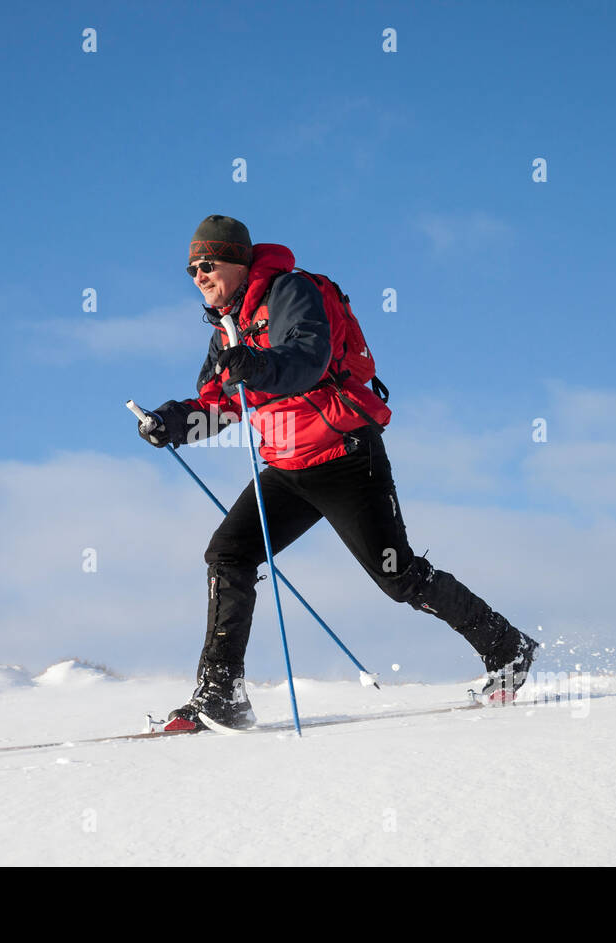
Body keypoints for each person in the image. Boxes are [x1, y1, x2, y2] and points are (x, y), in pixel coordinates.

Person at [139, 215, 538, 731]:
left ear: (237, 261)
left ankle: (507, 647)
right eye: (191, 269)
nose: (198, 275)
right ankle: (221, 696)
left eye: (207, 264)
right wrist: (171, 422)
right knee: (228, 554)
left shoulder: (292, 291)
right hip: (287, 467)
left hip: (346, 455)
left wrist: (256, 367)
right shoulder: (227, 326)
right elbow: (221, 405)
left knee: (398, 577)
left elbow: (309, 357)